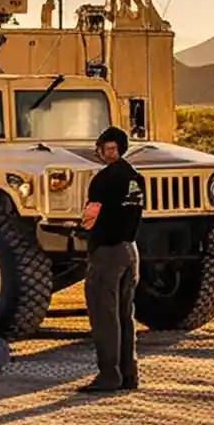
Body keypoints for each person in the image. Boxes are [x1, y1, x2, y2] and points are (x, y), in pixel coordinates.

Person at [78, 126, 145, 393]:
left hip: (107, 252)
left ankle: (109, 374)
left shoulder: (103, 181)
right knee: (125, 315)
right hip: (131, 251)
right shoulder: (135, 178)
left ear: (107, 149)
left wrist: (88, 236)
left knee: (105, 316)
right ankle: (129, 373)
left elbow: (91, 218)